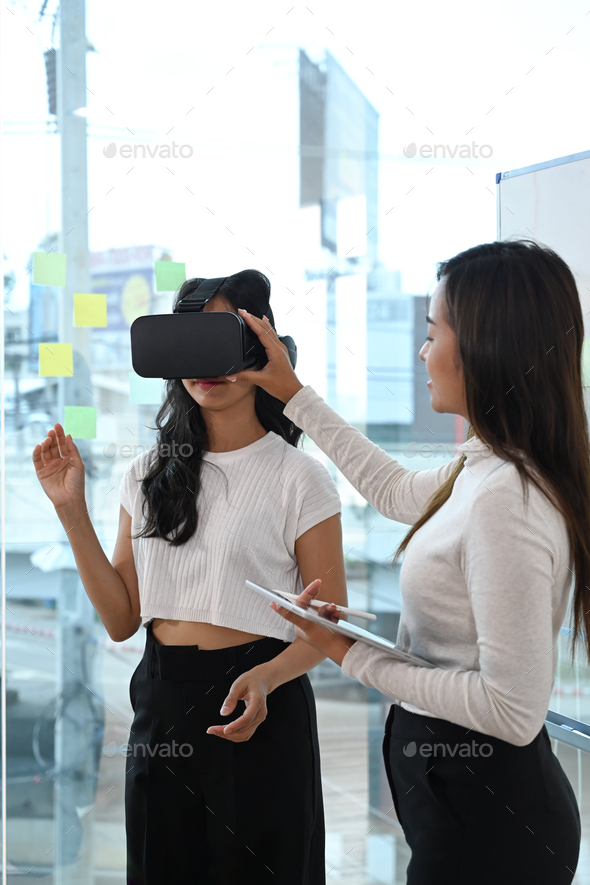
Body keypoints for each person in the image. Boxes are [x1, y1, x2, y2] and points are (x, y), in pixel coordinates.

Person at [226, 241, 585, 885]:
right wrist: (293, 394)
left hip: (492, 827)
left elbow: (512, 709)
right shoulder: (486, 465)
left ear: (485, 343)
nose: (423, 353)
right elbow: (392, 491)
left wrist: (349, 653)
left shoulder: (508, 496)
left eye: (432, 332)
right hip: (464, 810)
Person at [32, 269, 347, 885]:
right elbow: (123, 619)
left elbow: (328, 628)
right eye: (190, 341)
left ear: (260, 347)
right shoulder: (147, 473)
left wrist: (267, 676)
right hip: (162, 698)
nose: (205, 363)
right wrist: (72, 511)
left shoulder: (299, 479)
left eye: (222, 340)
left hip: (261, 698)